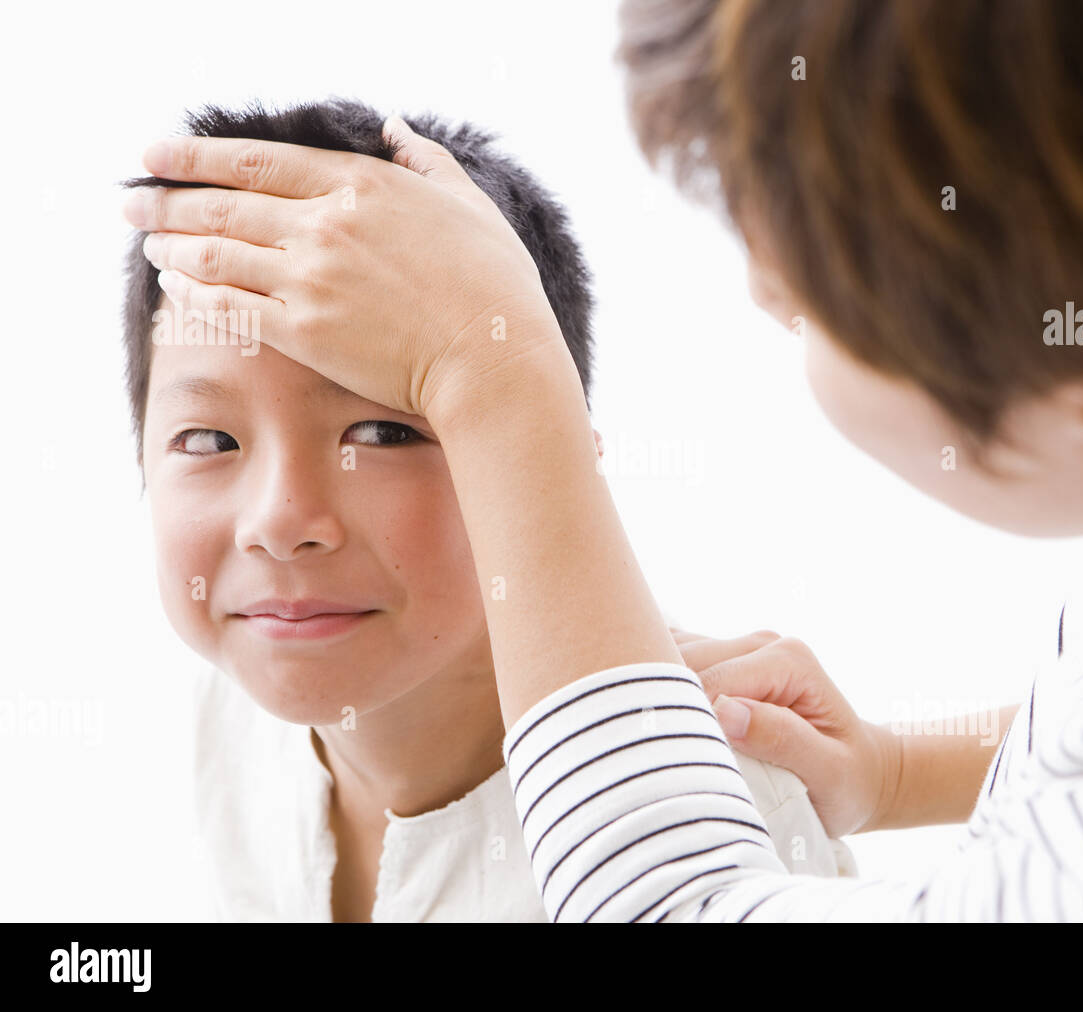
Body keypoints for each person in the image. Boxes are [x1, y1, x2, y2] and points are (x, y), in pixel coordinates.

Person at [123, 0, 1083, 921]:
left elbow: (673, 906)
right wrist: (901, 772)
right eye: (208, 437)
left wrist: (495, 377)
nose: (764, 293)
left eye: (819, 304)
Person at [120, 97, 856, 923]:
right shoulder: (227, 724)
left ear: (545, 458)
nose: (280, 522)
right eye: (210, 441)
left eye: (383, 431)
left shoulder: (715, 814)